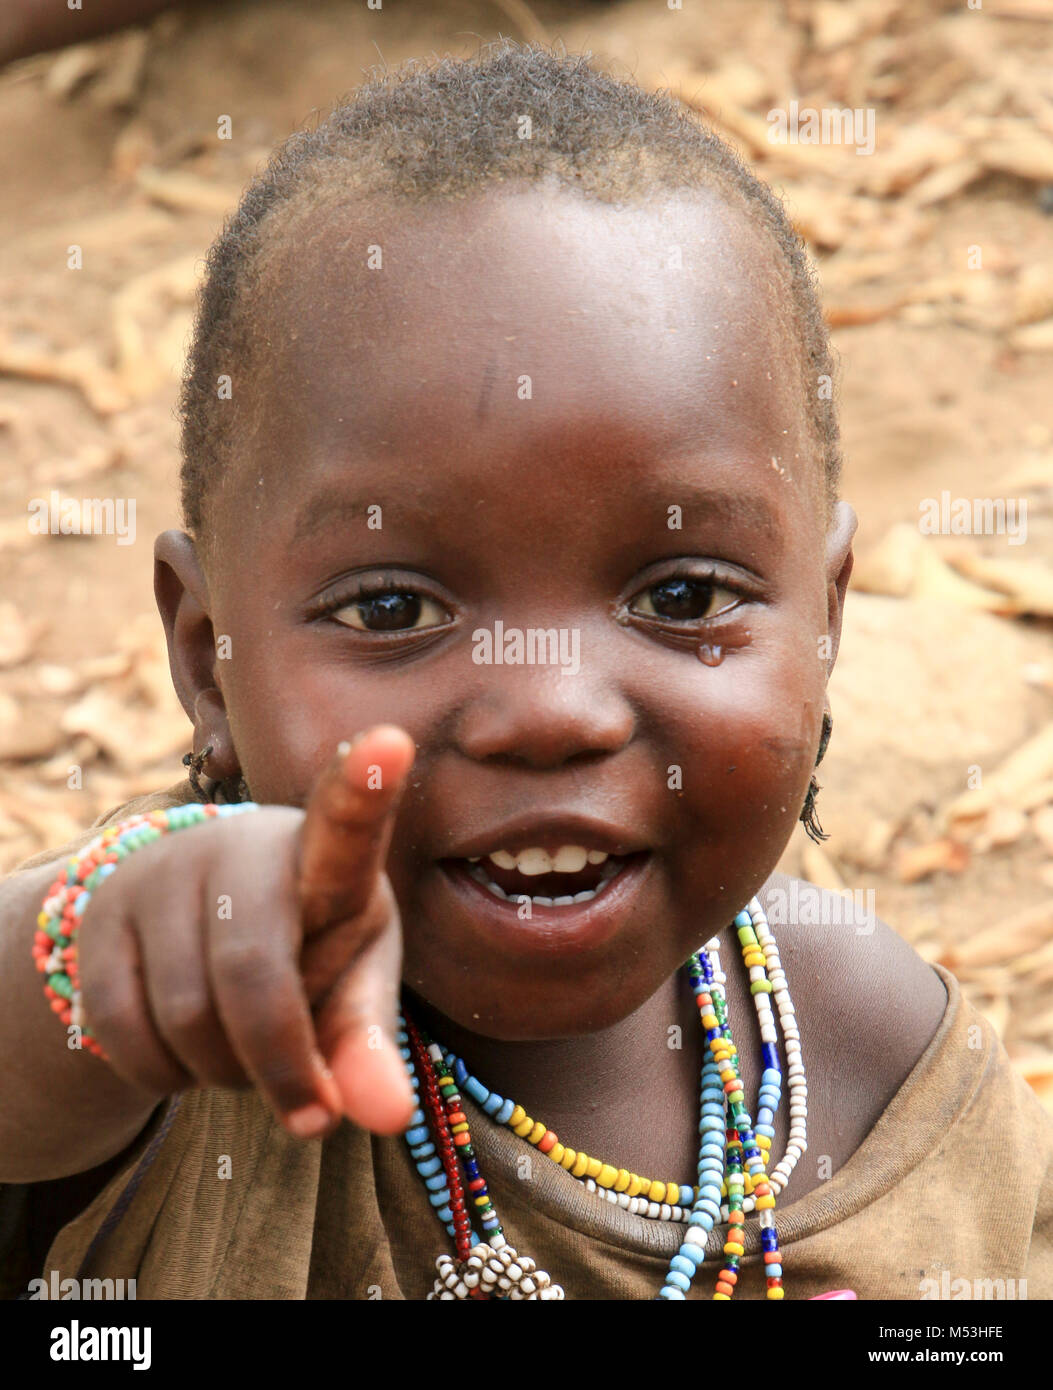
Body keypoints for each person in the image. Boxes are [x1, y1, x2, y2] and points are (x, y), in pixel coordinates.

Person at [2, 39, 1050, 1301]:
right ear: (208, 661)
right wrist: (98, 939)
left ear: (825, 623)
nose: (549, 707)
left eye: (681, 596)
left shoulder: (887, 1082)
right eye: (393, 606)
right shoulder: (202, 1007)